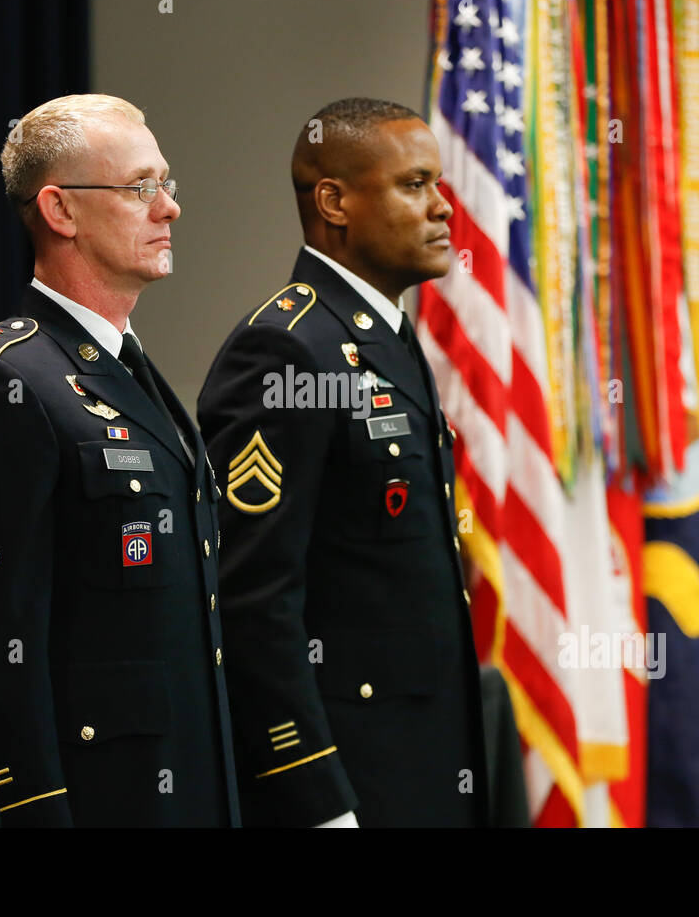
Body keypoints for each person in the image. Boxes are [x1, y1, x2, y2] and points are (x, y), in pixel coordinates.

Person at [0, 94, 237, 826]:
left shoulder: (132, 369)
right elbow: (5, 629)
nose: (169, 207)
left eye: (166, 183)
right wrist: (33, 807)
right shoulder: (6, 375)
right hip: (102, 797)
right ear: (60, 210)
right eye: (140, 187)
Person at [197, 98, 488, 827]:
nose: (442, 207)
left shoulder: (387, 338)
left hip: (424, 766)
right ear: (334, 202)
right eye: (414, 184)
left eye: (438, 184)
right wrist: (315, 797)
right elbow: (253, 598)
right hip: (351, 782)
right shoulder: (288, 348)